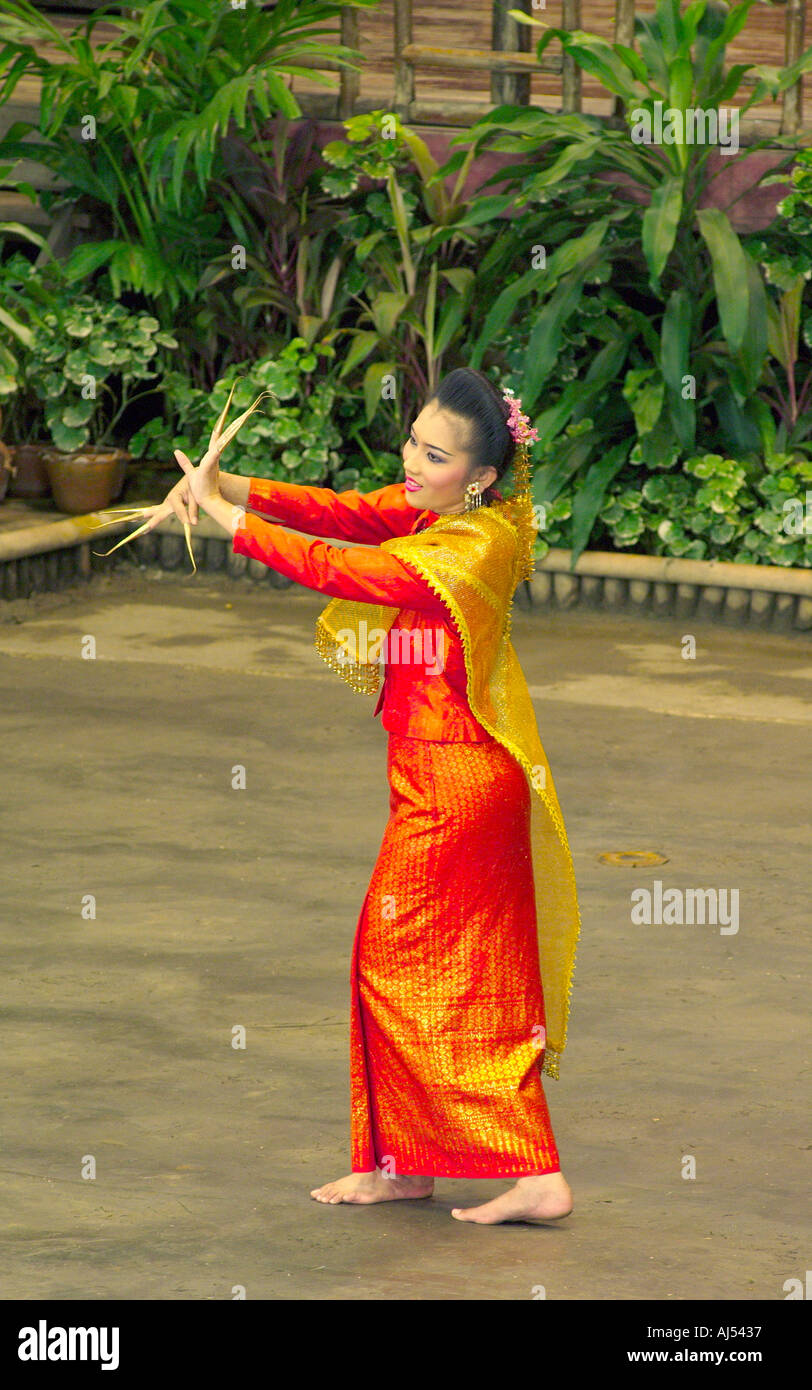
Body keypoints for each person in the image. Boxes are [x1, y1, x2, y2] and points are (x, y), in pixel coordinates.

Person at [144, 366, 581, 1225]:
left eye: (435, 454)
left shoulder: (470, 546)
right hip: (440, 772)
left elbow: (347, 569)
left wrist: (230, 522)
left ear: (483, 474)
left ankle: (484, 1168)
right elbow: (344, 513)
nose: (413, 463)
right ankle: (428, 1165)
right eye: (414, 442)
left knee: (390, 959)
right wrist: (228, 482)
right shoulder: (447, 513)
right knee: (465, 972)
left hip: (457, 784)